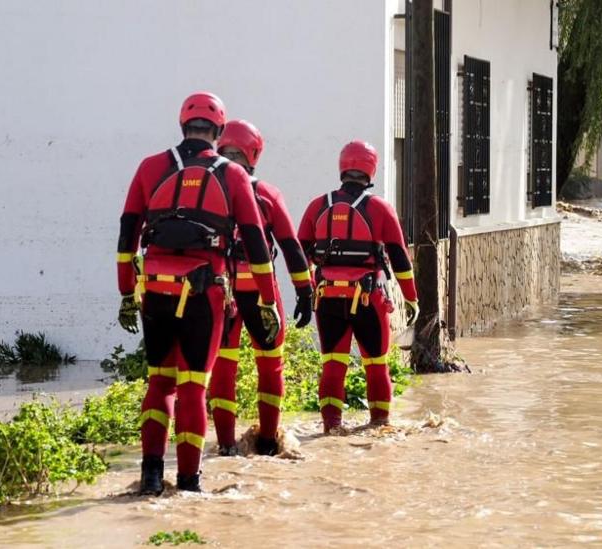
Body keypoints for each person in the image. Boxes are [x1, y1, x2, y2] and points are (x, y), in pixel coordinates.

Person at [116, 92, 281, 494]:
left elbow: (126, 236)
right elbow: (257, 245)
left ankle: (152, 476)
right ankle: (189, 485)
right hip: (205, 291)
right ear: (219, 131)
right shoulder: (233, 175)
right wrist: (267, 300)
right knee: (193, 385)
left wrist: (125, 292)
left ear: (182, 126)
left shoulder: (150, 167)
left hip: (154, 287)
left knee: (159, 383)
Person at [208, 119, 314, 456]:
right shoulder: (266, 193)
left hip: (220, 291)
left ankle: (225, 446)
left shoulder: (207, 190)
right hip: (259, 290)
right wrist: (305, 292)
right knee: (271, 365)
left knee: (223, 367)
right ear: (254, 153)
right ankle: (269, 443)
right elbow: (290, 246)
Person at [297, 140, 419, 433]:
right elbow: (400, 257)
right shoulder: (379, 208)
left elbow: (299, 252)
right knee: (376, 364)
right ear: (370, 169)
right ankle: (379, 425)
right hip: (367, 299)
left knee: (333, 363)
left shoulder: (318, 206)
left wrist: (305, 290)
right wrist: (412, 299)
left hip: (326, 296)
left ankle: (331, 428)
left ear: (343, 167)